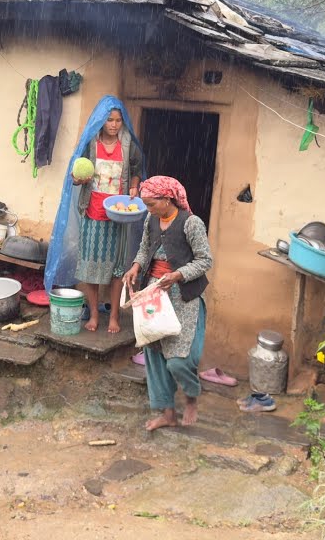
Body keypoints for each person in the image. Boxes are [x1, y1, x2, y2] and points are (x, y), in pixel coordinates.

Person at [122, 175, 212, 430]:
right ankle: (168, 413)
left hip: (184, 296)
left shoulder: (191, 223)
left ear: (167, 199)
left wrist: (178, 274)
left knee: (178, 359)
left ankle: (192, 396)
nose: (148, 210)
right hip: (155, 292)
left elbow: (205, 260)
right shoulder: (152, 219)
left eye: (151, 204)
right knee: (155, 354)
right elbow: (144, 248)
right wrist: (136, 267)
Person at [72, 108, 141, 333]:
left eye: (118, 120)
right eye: (109, 120)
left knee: (117, 269)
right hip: (92, 212)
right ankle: (93, 314)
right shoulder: (91, 143)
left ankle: (114, 316)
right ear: (101, 122)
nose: (113, 124)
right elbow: (76, 173)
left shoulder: (128, 144)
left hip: (118, 214)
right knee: (90, 266)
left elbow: (136, 168)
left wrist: (134, 185)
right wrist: (77, 179)